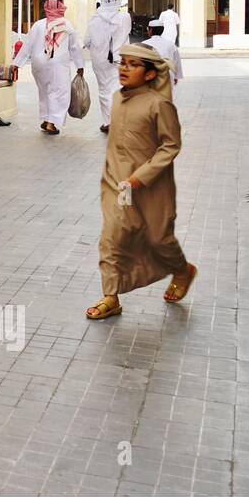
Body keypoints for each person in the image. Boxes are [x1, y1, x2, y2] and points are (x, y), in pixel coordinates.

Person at [86, 44, 197, 320]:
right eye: (122, 63)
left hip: (152, 187)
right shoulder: (116, 98)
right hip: (117, 185)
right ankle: (110, 297)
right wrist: (114, 178)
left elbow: (171, 146)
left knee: (159, 238)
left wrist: (140, 177)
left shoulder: (159, 105)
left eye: (132, 64)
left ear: (149, 74)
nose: (123, 68)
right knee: (112, 236)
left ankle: (182, 270)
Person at [14, 0, 85, 135]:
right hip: (58, 65)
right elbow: (75, 48)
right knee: (58, 93)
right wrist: (80, 65)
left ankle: (46, 120)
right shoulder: (66, 24)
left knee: (45, 92)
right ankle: (51, 123)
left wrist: (17, 63)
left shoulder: (38, 25)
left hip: (39, 65)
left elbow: (27, 45)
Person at [84, 0, 132, 134]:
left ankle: (108, 122)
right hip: (120, 58)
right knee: (119, 89)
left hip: (100, 60)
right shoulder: (125, 17)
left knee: (104, 90)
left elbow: (87, 41)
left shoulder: (95, 18)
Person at [144, 19, 183, 88]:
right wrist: (176, 76)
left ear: (150, 30)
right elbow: (177, 62)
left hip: (148, 77)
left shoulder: (143, 44)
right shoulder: (171, 45)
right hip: (167, 77)